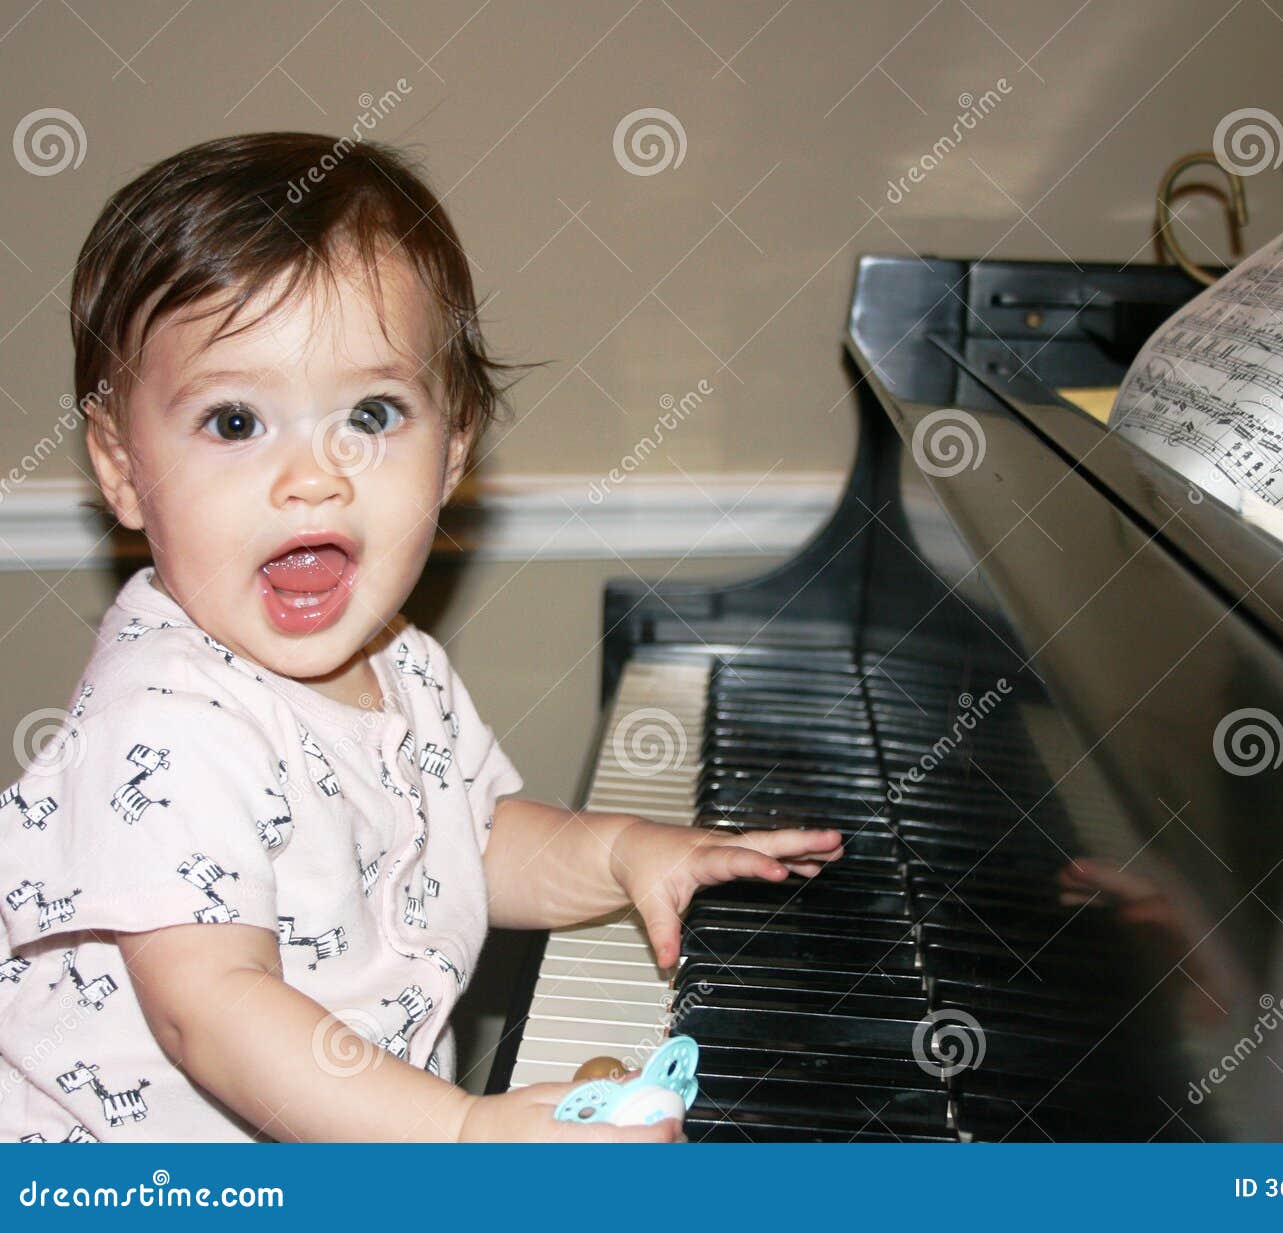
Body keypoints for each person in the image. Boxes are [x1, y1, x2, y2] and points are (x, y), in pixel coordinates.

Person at [0, 132, 842, 1143]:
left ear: (451, 453)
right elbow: (212, 1013)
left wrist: (618, 851)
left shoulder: (401, 665)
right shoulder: (168, 722)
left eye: (371, 412)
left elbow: (469, 843)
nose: (312, 478)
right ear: (124, 468)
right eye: (234, 423)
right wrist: (460, 1136)